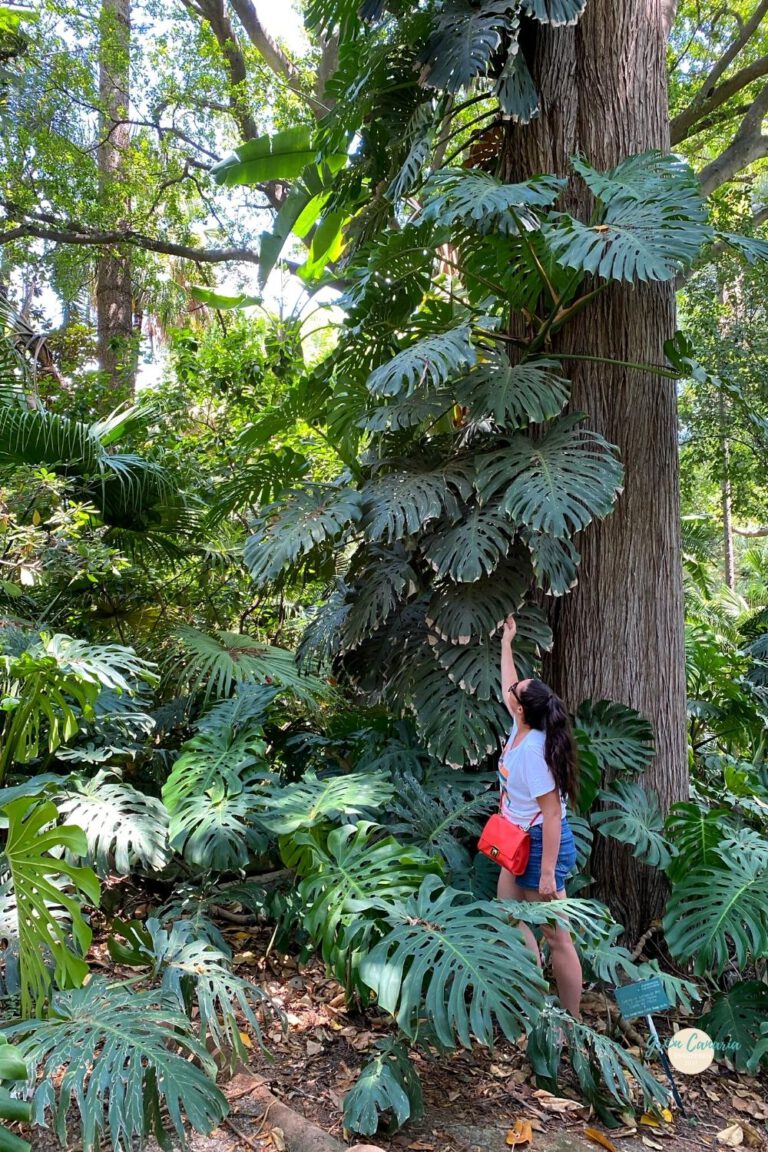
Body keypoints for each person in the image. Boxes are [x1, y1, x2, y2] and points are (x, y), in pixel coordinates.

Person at [497, 614, 583, 1020]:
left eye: (517, 691)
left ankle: (572, 1022)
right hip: (516, 840)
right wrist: (507, 644)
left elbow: (551, 815)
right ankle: (534, 997)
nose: (511, 689)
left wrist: (548, 873)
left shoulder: (533, 753)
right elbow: (507, 685)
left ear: (521, 707)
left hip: (539, 847)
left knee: (557, 937)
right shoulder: (521, 725)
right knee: (508, 914)